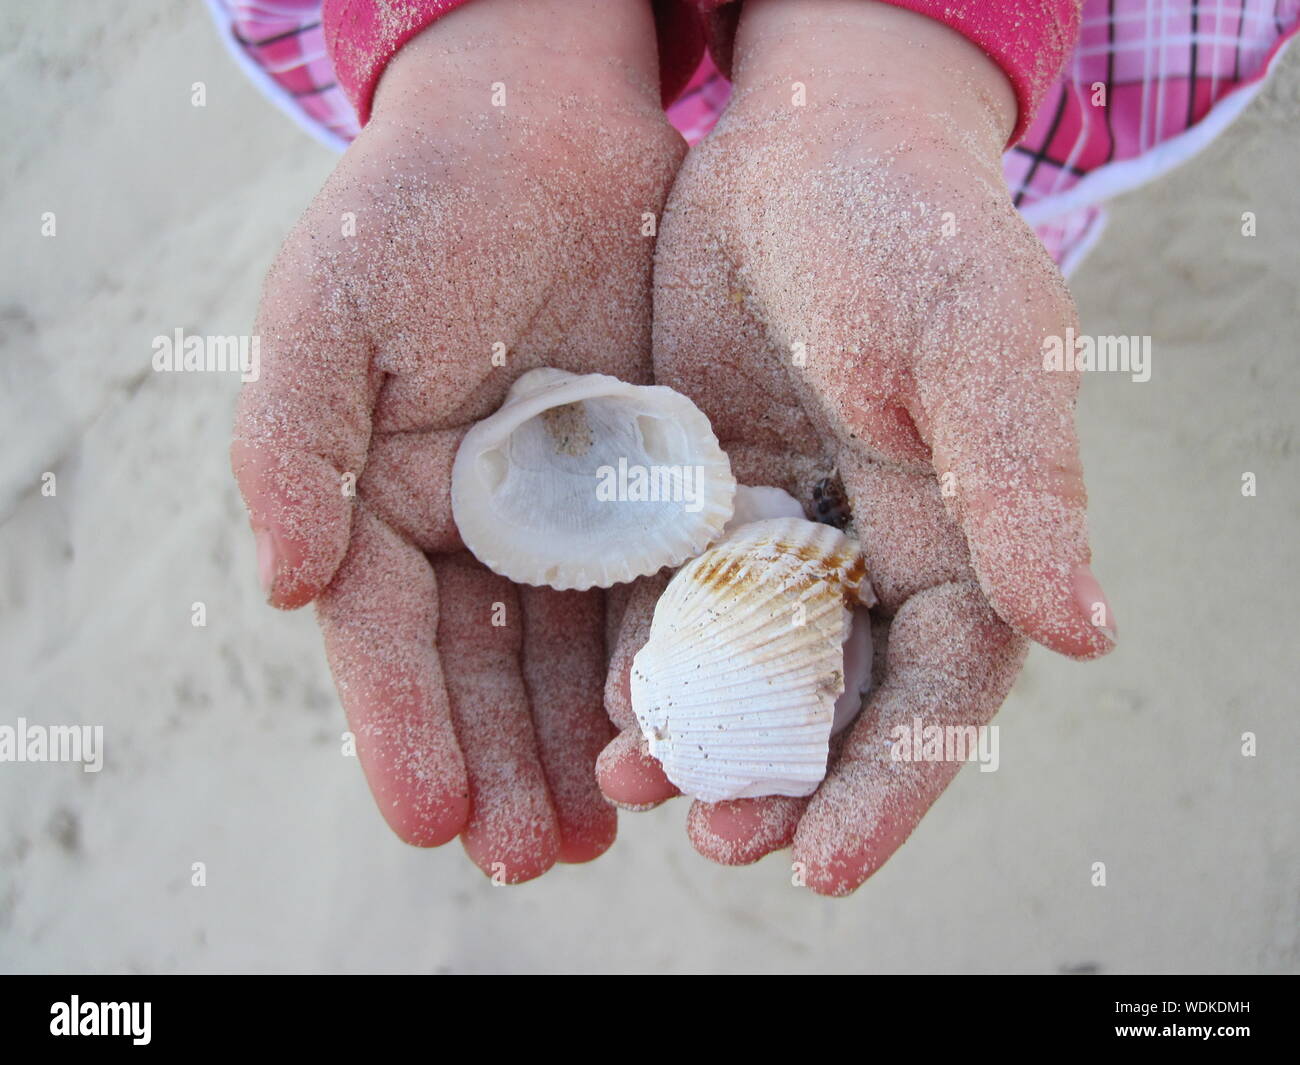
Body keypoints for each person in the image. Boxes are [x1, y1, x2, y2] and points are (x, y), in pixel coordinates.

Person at [221, 0, 1298, 894]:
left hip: (917, 77)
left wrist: (877, 85)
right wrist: (494, 76)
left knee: (945, 245)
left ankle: (942, 167)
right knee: (942, 219)